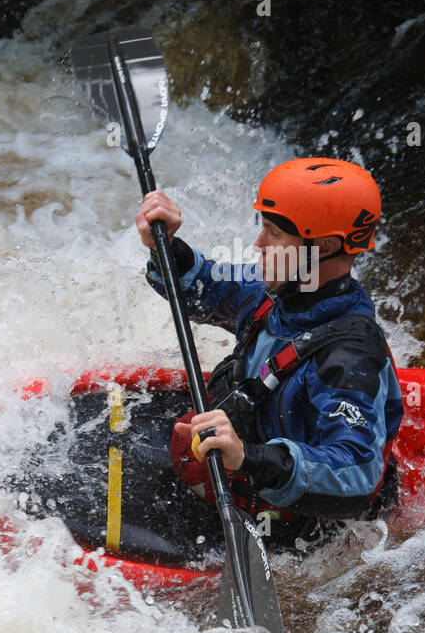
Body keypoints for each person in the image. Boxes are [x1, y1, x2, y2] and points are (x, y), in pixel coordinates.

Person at [134, 157, 404, 545]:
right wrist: (166, 245)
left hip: (299, 530)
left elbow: (357, 476)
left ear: (323, 246)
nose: (258, 245)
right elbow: (202, 287)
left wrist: (247, 457)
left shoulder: (351, 358)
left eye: (273, 233)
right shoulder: (273, 292)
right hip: (245, 470)